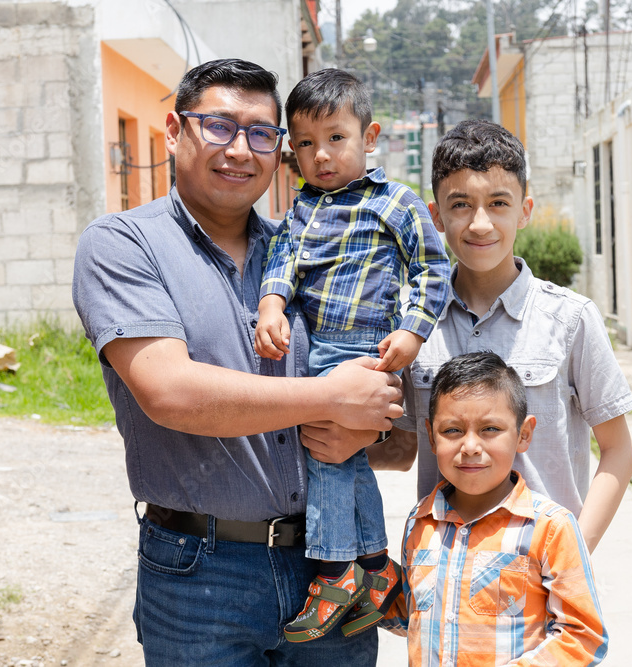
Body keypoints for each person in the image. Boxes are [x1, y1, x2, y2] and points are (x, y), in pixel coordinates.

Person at [72, 58, 402, 666]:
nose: (239, 151)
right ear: (174, 131)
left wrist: (376, 423)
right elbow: (170, 392)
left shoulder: (306, 253)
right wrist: (332, 399)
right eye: (219, 127)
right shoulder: (123, 244)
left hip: (331, 564)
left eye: (260, 134)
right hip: (201, 574)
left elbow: (382, 411)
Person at [254, 68, 450, 643]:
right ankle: (378, 568)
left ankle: (334, 571)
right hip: (316, 350)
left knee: (324, 458)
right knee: (347, 459)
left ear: (370, 137)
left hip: (368, 349)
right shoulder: (301, 210)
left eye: (336, 138)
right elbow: (282, 264)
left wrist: (412, 333)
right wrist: (270, 307)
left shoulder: (396, 203)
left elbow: (432, 268)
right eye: (306, 144)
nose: (321, 156)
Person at [387, 119, 632, 553]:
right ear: (436, 217)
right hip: (445, 573)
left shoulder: (571, 319)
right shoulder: (412, 324)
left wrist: (574, 556)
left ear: (525, 209)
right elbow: (405, 447)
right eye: (460, 204)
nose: (480, 224)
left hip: (542, 579)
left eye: (498, 203)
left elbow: (618, 452)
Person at [395, 351, 608, 665]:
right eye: (452, 430)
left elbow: (584, 635)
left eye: (490, 429)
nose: (470, 446)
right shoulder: (420, 522)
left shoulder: (550, 528)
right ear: (430, 435)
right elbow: (410, 615)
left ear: (523, 434)